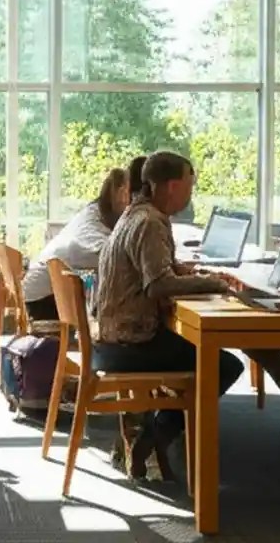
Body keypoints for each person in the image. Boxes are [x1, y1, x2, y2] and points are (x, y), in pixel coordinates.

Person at [91, 151, 246, 480]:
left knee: (203, 354)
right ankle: (155, 436)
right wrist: (215, 283)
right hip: (131, 341)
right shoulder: (150, 222)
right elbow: (158, 285)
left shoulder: (134, 214)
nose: (191, 193)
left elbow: (154, 269)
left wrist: (190, 272)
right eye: (189, 186)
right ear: (173, 186)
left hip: (111, 336)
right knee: (225, 365)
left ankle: (157, 432)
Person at [21, 168, 129, 321]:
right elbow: (108, 258)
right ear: (122, 195)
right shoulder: (91, 226)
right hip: (42, 301)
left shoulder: (92, 215)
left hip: (40, 293)